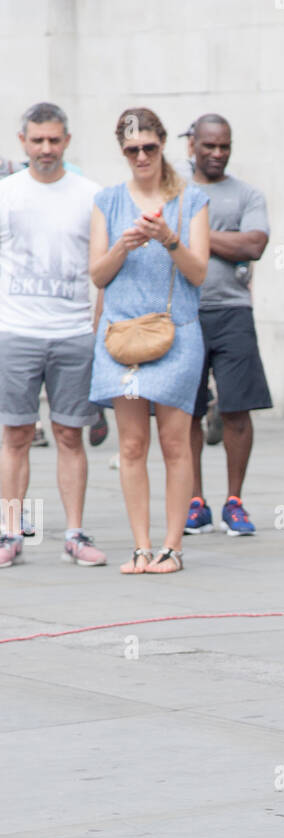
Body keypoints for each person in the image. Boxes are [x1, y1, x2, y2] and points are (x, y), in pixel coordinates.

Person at [89, 108, 209, 573]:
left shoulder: (191, 200)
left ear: (163, 145)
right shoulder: (107, 200)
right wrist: (123, 244)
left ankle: (172, 547)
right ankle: (141, 546)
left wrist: (167, 238)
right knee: (132, 445)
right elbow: (98, 274)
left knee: (175, 442)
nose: (141, 156)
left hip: (176, 332)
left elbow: (199, 273)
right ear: (122, 152)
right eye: (132, 149)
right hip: (121, 334)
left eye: (149, 147)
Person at [0, 102, 106, 570]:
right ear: (22, 141)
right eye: (37, 140)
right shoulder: (7, 194)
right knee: (16, 435)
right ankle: (9, 532)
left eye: (54, 140)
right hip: (17, 331)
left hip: (73, 333)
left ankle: (74, 533)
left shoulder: (91, 194)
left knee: (69, 435)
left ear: (67, 141)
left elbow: (102, 270)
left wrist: (96, 329)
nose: (46, 148)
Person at [182, 114, 272, 539]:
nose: (217, 154)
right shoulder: (175, 189)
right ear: (192, 146)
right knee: (187, 412)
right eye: (209, 147)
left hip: (233, 312)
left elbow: (254, 245)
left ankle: (234, 502)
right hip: (183, 312)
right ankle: (194, 502)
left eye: (224, 147)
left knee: (237, 409)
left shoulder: (247, 193)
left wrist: (191, 234)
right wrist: (225, 239)